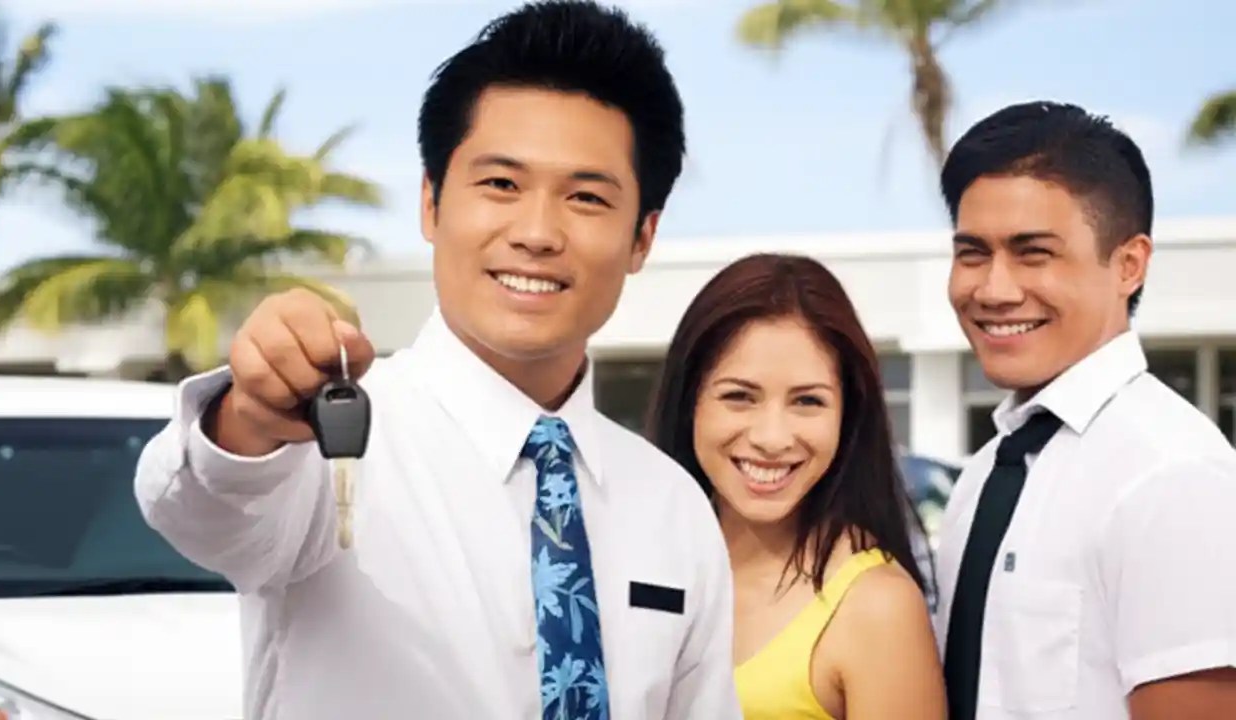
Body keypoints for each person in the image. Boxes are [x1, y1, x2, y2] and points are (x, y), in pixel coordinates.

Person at [132, 2, 742, 718]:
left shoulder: (674, 508)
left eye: (585, 197)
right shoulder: (330, 443)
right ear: (431, 202)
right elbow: (203, 509)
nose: (538, 233)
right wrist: (251, 417)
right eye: (501, 185)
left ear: (642, 237)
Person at [933, 100, 1236, 720]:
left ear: (1129, 265)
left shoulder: (1173, 476)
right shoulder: (988, 470)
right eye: (972, 253)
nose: (993, 289)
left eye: (1033, 253)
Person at [645, 252, 948, 719]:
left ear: (847, 414)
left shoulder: (876, 605)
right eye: (739, 397)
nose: (772, 438)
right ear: (690, 402)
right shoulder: (640, 559)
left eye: (807, 401)